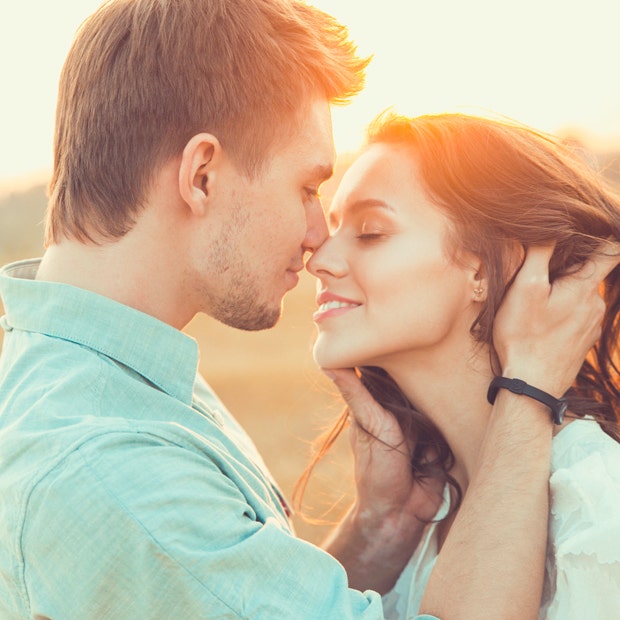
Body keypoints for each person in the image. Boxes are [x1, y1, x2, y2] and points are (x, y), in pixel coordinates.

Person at [0, 0, 611, 617]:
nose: (318, 239)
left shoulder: (117, 389)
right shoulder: (112, 466)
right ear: (202, 176)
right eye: (308, 188)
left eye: (368, 231)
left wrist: (382, 527)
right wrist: (528, 390)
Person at [306, 111, 620, 619]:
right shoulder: (429, 513)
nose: (318, 258)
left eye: (369, 232)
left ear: (483, 266)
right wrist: (378, 523)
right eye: (333, 227)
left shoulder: (596, 507)